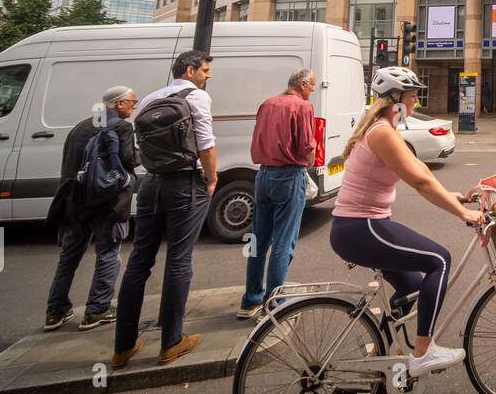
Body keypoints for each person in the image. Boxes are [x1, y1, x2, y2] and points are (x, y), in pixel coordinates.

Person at [330, 67, 482, 377]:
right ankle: (422, 353)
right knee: (439, 260)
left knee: (412, 287)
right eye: (412, 98)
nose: (415, 105)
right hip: (361, 227)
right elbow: (419, 183)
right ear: (396, 101)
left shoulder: (383, 129)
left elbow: (423, 172)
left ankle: (380, 356)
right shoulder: (382, 132)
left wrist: (453, 197)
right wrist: (464, 215)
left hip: (360, 227)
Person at [112, 50, 217, 369]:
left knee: (139, 260)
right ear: (189, 70)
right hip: (184, 183)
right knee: (179, 259)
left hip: (151, 184)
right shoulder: (196, 97)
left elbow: (141, 147)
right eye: (205, 70)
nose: (208, 75)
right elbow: (205, 144)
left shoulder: (149, 99)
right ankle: (171, 342)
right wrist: (211, 179)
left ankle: (123, 347)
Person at [44, 85, 138, 332]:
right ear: (118, 104)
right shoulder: (122, 127)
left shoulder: (80, 127)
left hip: (75, 202)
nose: (134, 107)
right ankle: (97, 309)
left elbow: (68, 164)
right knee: (108, 253)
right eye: (131, 102)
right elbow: (128, 161)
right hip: (107, 202)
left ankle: (55, 310)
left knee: (69, 256)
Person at [237, 68, 317, 319]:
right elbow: (306, 145)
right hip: (289, 175)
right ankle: (274, 303)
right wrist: (311, 161)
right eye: (312, 85)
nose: (312, 90)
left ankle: (250, 300)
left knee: (257, 241)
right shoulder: (302, 106)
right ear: (302, 84)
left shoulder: (267, 103)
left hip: (263, 174)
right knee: (284, 242)